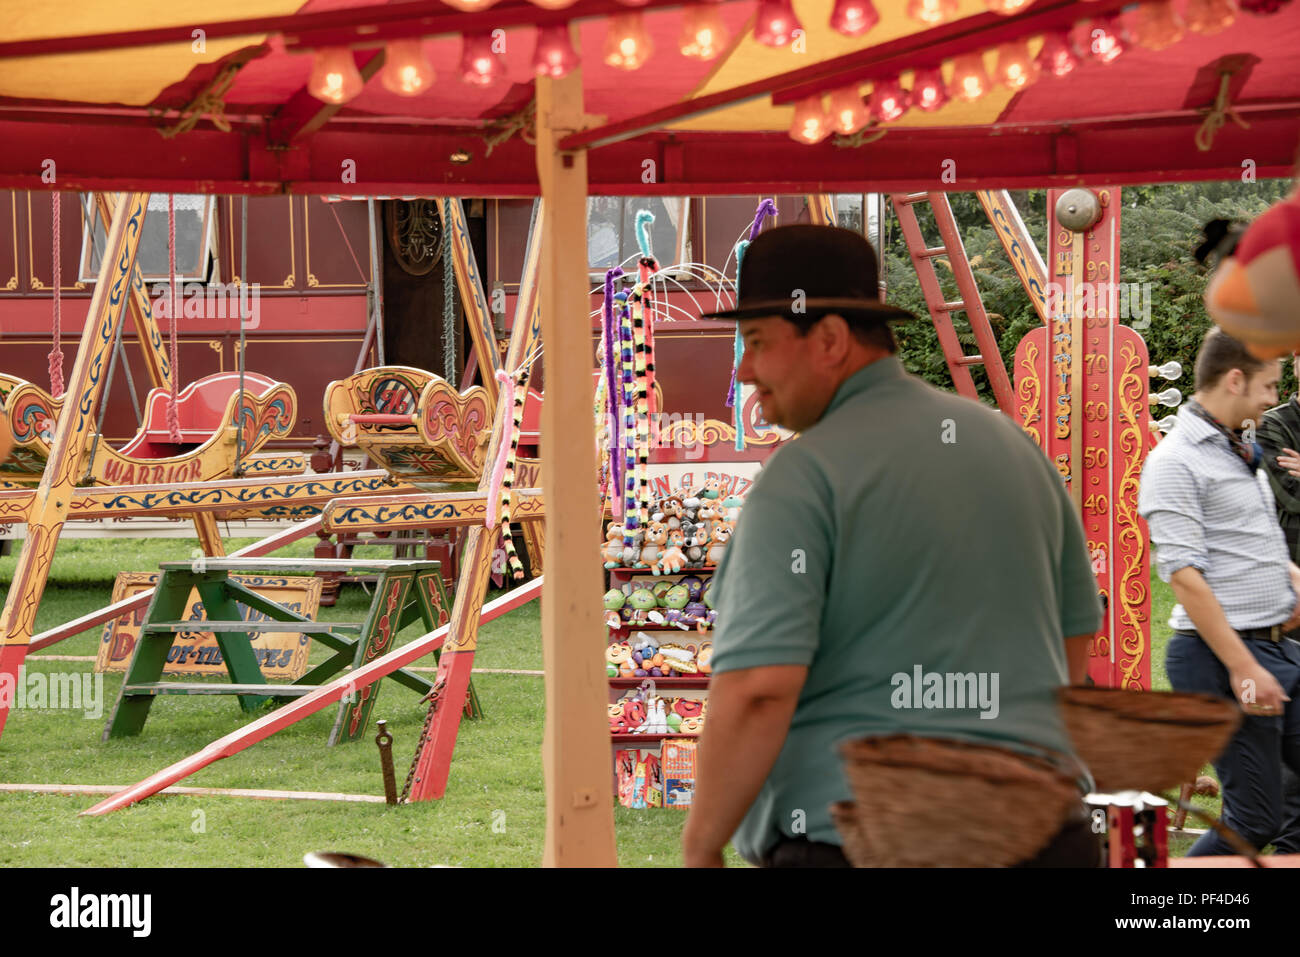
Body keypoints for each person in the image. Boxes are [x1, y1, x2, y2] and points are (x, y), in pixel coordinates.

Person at [680, 225, 1103, 868]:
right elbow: (1075, 643)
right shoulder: (1012, 448)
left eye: (758, 342)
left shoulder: (803, 478)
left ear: (828, 340)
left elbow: (761, 686)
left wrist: (701, 844)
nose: (744, 370)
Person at [1138, 327, 1300, 856]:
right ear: (1236, 379)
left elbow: (1260, 547)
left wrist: (1292, 583)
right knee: (1256, 821)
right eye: (1269, 385)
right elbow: (1184, 576)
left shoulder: (1238, 449)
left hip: (1275, 648)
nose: (1274, 398)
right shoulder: (1175, 461)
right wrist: (1245, 668)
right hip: (1220, 659)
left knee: (1270, 816)